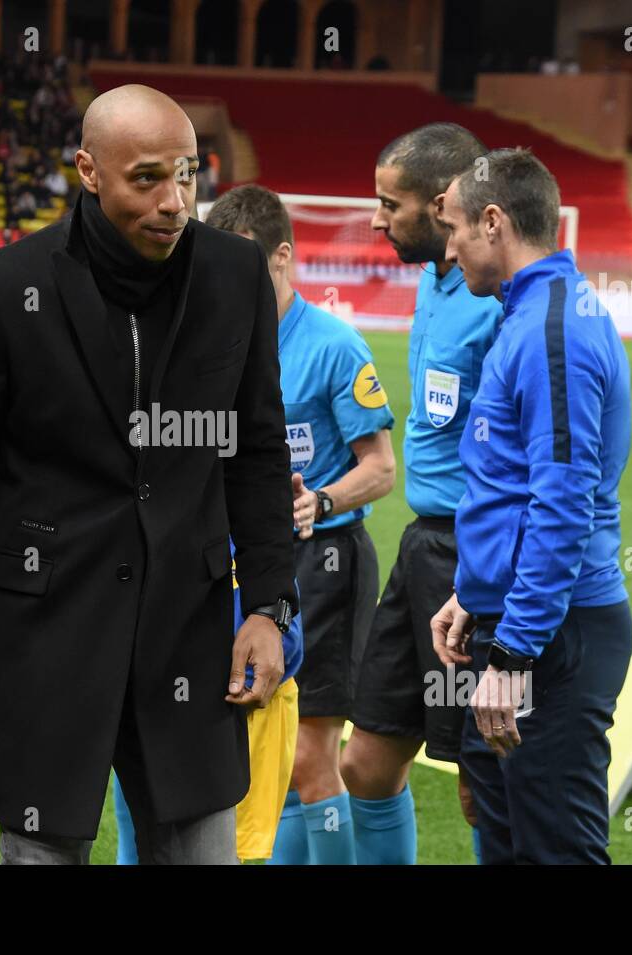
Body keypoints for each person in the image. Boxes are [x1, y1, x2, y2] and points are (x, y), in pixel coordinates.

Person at [0, 84, 298, 865]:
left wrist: (271, 605)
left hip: (191, 644)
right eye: (146, 178)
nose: (174, 201)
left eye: (186, 174)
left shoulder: (236, 274)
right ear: (87, 170)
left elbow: (257, 452)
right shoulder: (3, 289)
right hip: (47, 642)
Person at [431, 148, 632, 865]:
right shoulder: (528, 315)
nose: (448, 249)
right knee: (505, 842)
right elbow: (513, 484)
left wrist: (514, 649)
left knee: (557, 855)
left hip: (552, 636)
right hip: (514, 620)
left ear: (494, 221)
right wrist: (471, 591)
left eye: (453, 228)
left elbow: (561, 499)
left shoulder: (555, 328)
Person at [207, 184, 397, 866]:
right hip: (247, 567)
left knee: (312, 755)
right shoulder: (220, 338)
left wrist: (319, 500)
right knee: (264, 753)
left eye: (245, 272)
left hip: (328, 564)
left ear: (283, 257)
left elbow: (381, 467)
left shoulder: (334, 346)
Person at [342, 123, 502, 865]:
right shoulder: (439, 279)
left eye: (389, 204)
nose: (377, 220)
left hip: (476, 553)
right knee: (365, 764)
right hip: (421, 543)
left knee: (485, 779)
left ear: (442, 203)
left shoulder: (497, 294)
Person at [113, 541, 304, 864]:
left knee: (219, 850)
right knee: (137, 835)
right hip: (150, 706)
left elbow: (285, 643)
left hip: (228, 715)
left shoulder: (251, 538)